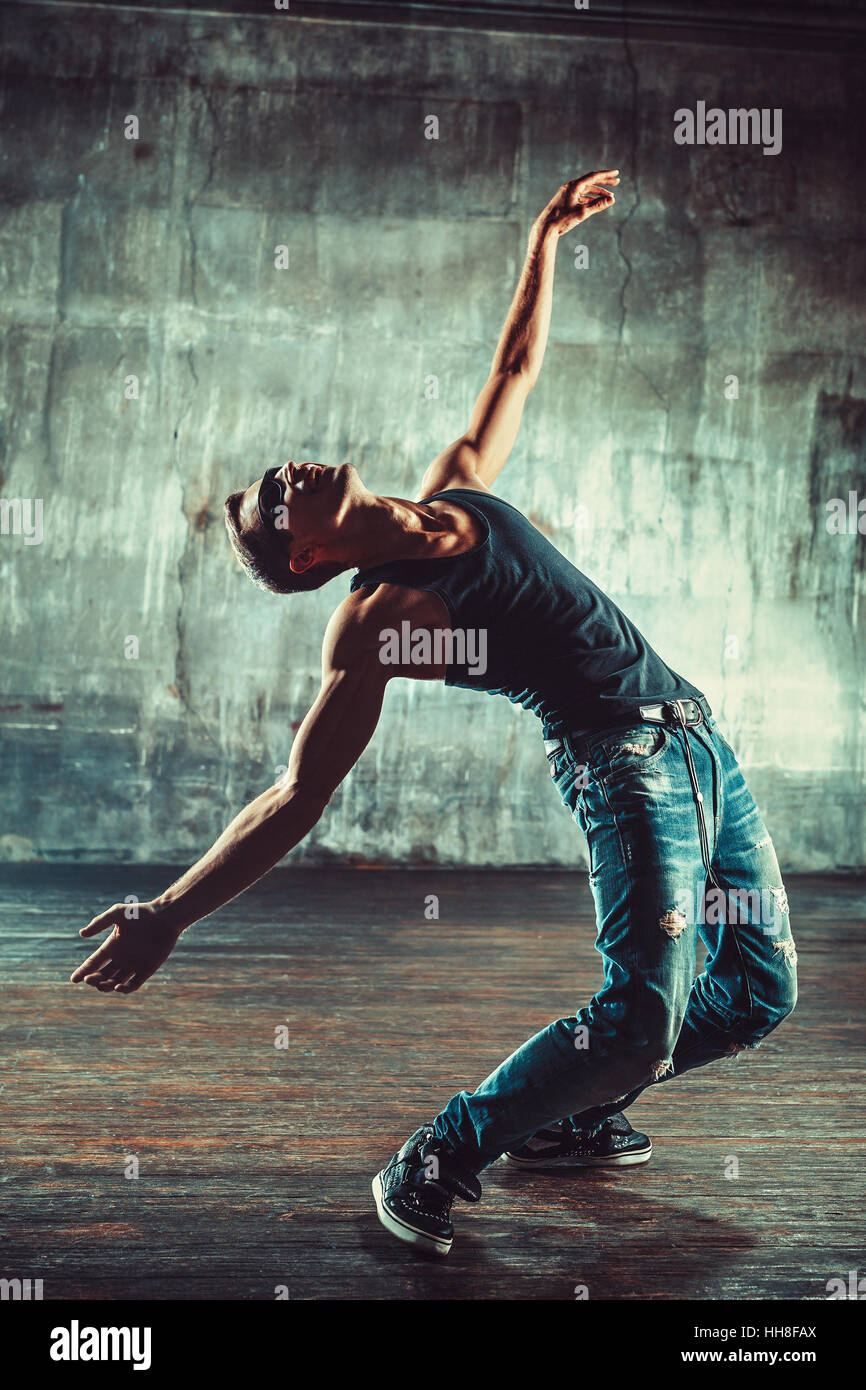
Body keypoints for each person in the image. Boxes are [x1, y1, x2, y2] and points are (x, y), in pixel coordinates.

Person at [72, 170, 797, 1257]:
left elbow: (511, 370)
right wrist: (167, 912)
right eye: (276, 505)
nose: (287, 476)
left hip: (697, 744)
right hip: (622, 768)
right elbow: (297, 790)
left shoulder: (450, 491)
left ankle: (575, 1107)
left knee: (756, 991)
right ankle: (438, 1154)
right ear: (305, 554)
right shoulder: (374, 622)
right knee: (638, 1020)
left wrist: (542, 238)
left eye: (275, 474)